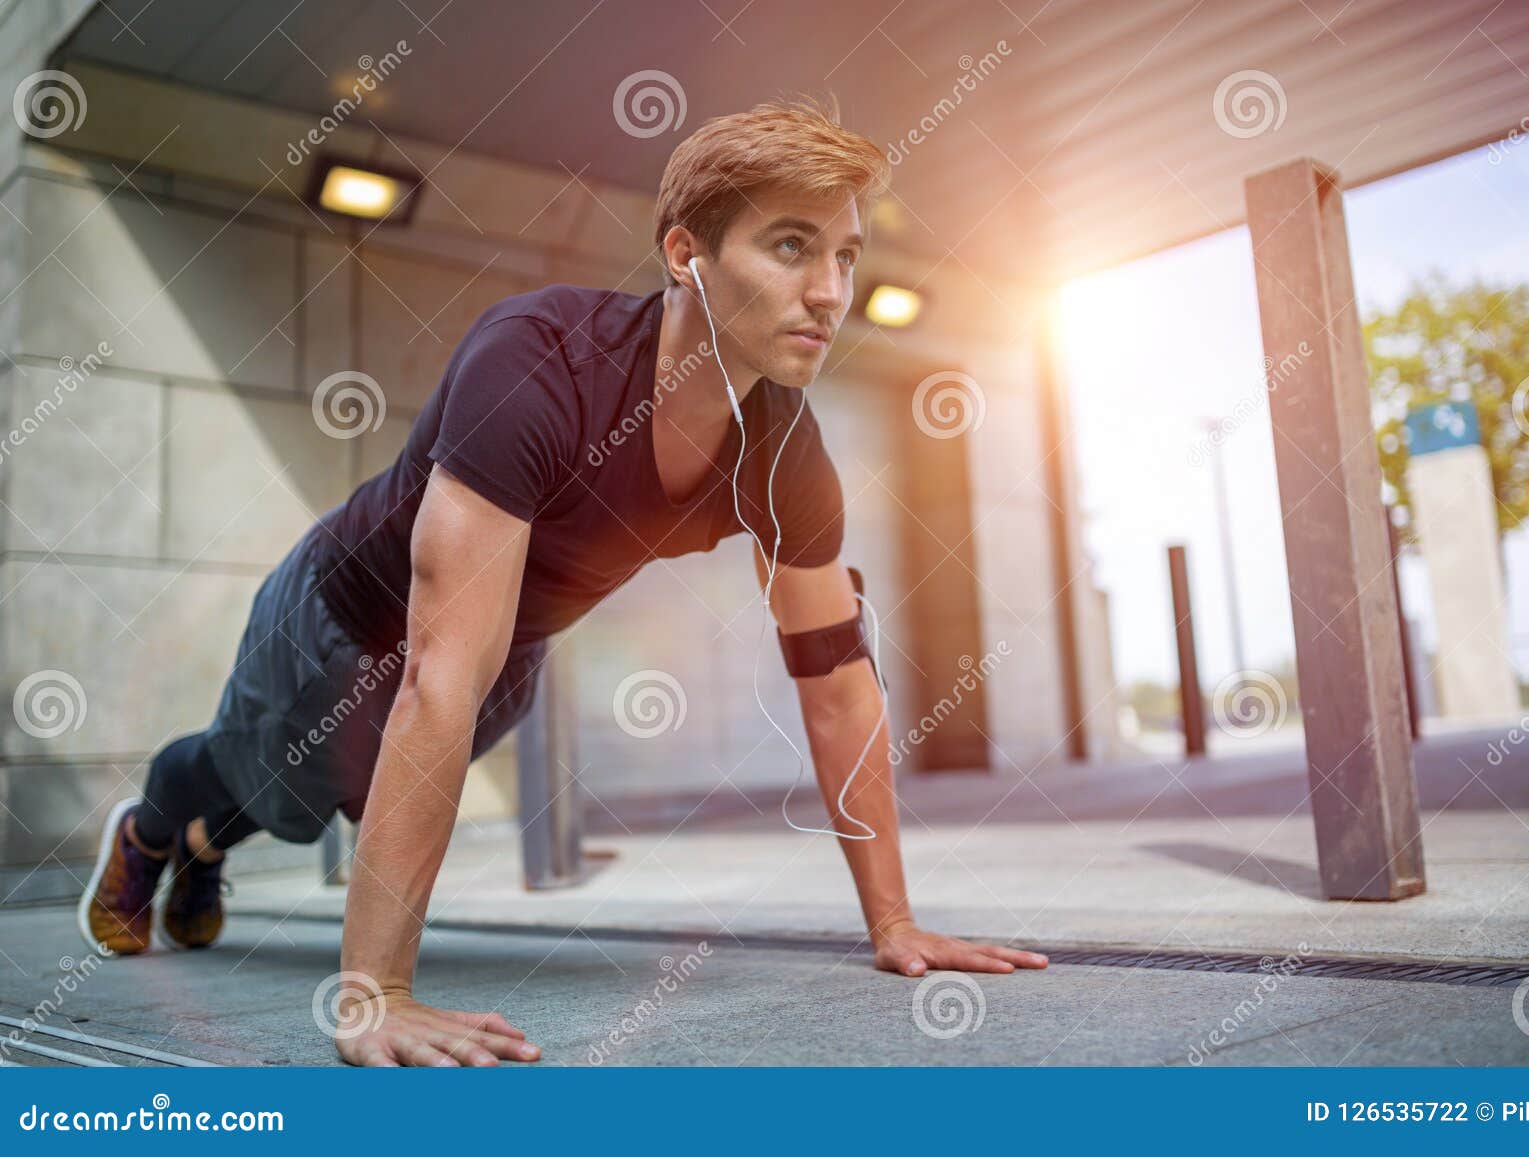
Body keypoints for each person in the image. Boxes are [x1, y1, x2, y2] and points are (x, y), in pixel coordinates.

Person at [78, 95, 1047, 1067]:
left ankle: (205, 849)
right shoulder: (537, 362)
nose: (831, 289)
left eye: (843, 254)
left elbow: (837, 686)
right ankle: (159, 828)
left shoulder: (784, 446)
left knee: (347, 801)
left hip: (506, 650)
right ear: (685, 255)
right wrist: (375, 994)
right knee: (274, 787)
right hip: (342, 610)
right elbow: (434, 675)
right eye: (791, 246)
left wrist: (894, 923)